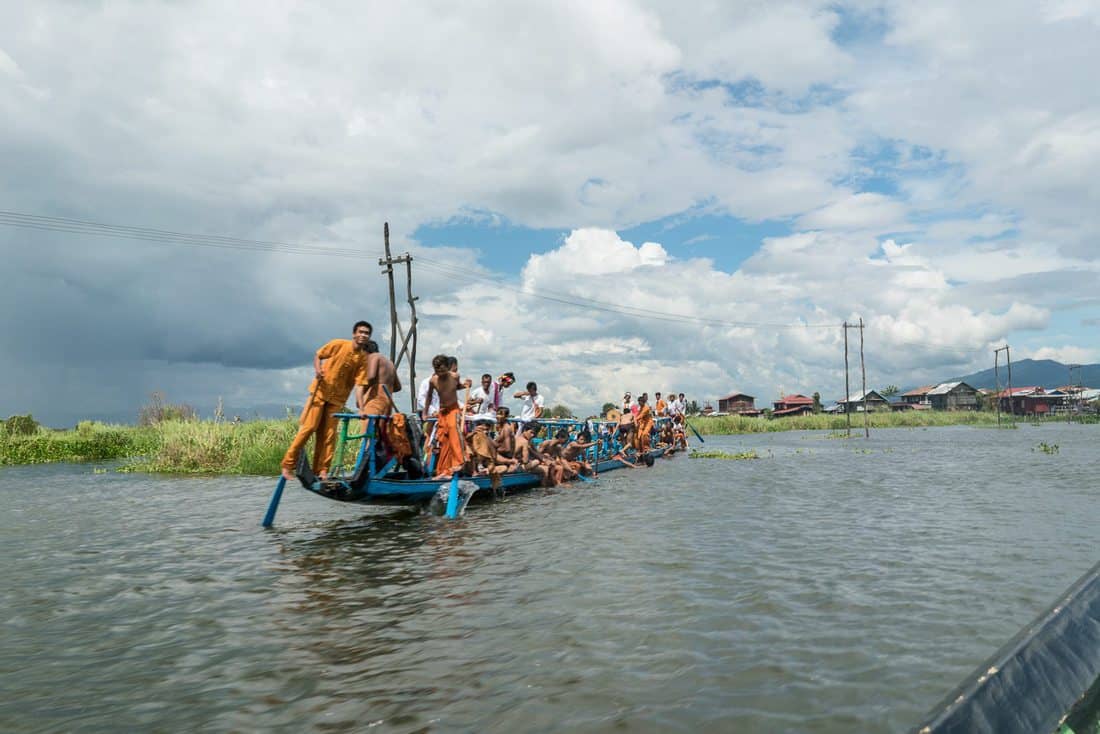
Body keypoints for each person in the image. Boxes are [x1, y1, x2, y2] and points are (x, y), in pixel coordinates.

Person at [281, 321, 372, 481]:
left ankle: (322, 470)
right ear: (354, 334)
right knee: (309, 428)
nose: (363, 335)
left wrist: (362, 408)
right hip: (320, 393)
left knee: (329, 435)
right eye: (361, 332)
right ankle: (288, 464)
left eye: (367, 333)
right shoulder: (339, 344)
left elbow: (359, 385)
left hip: (337, 399)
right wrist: (318, 370)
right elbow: (319, 355)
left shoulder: (363, 359)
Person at [427, 354, 472, 479]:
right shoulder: (433, 380)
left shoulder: (454, 376)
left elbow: (456, 387)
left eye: (443, 370)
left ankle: (459, 462)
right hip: (441, 412)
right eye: (438, 370)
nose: (440, 373)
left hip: (453, 410)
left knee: (454, 432)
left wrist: (465, 385)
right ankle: (444, 471)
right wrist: (426, 412)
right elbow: (428, 397)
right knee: (443, 440)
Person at [360, 340, 402, 416]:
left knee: (367, 422)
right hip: (388, 401)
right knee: (381, 424)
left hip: (375, 399)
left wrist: (361, 394)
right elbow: (398, 387)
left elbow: (371, 377)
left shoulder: (373, 356)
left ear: (364, 351)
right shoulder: (390, 363)